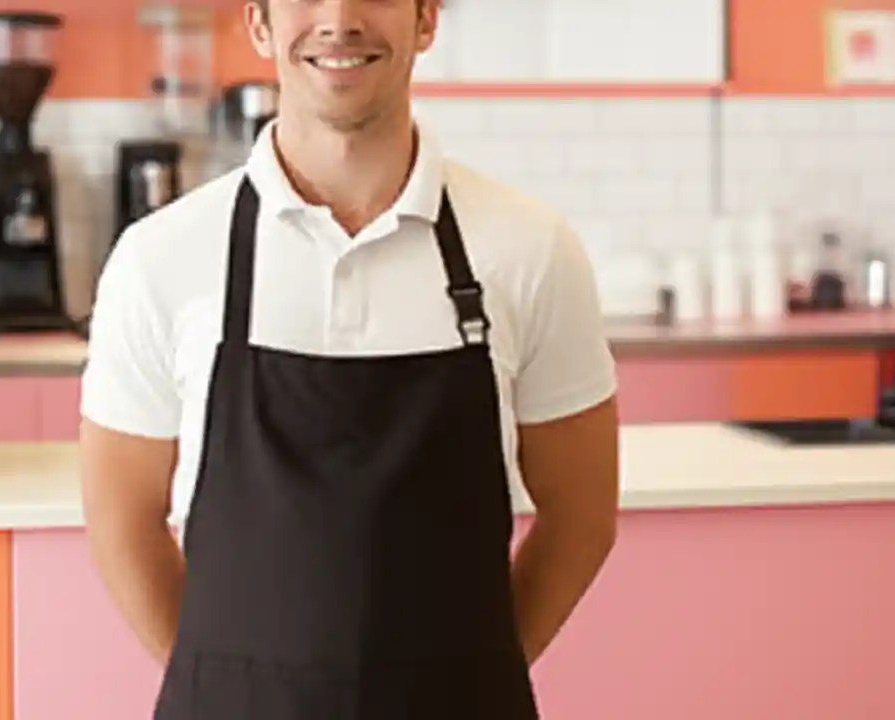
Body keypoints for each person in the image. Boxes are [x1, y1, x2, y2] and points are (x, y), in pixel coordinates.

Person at [79, 0, 619, 717]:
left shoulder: (531, 250)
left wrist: (475, 678)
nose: (339, 19)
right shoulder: (161, 258)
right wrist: (222, 683)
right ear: (260, 22)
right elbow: (120, 517)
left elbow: (582, 516)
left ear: (426, 20)